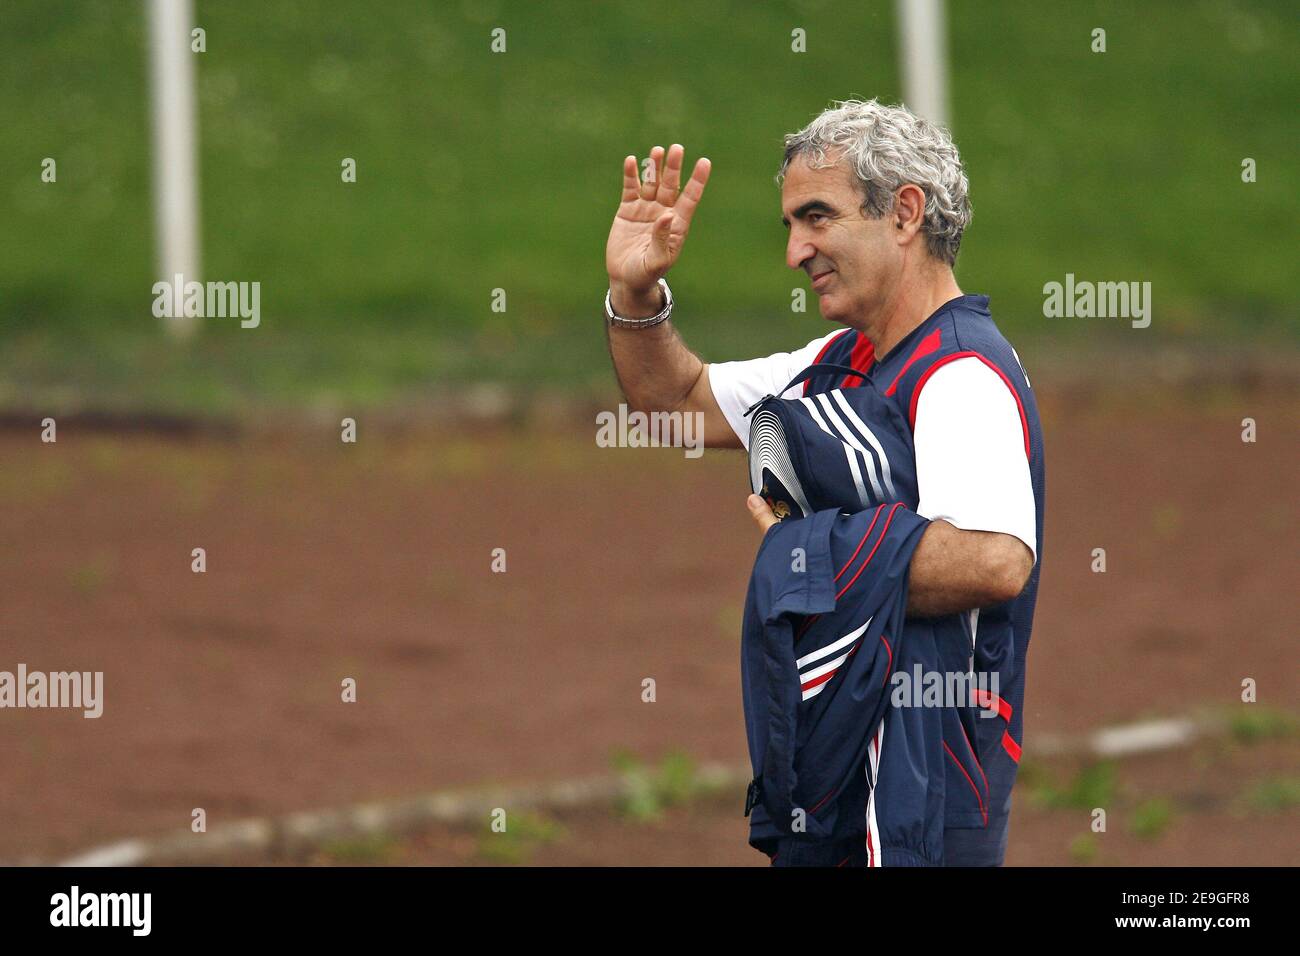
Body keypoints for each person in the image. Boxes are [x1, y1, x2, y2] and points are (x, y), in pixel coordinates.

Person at [603, 99, 1044, 866]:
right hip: (847, 765)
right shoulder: (838, 362)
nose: (795, 250)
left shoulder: (961, 374)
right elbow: (671, 403)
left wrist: (806, 555)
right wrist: (636, 295)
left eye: (817, 218)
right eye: (790, 227)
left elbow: (994, 561)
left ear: (904, 212)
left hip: (935, 790)